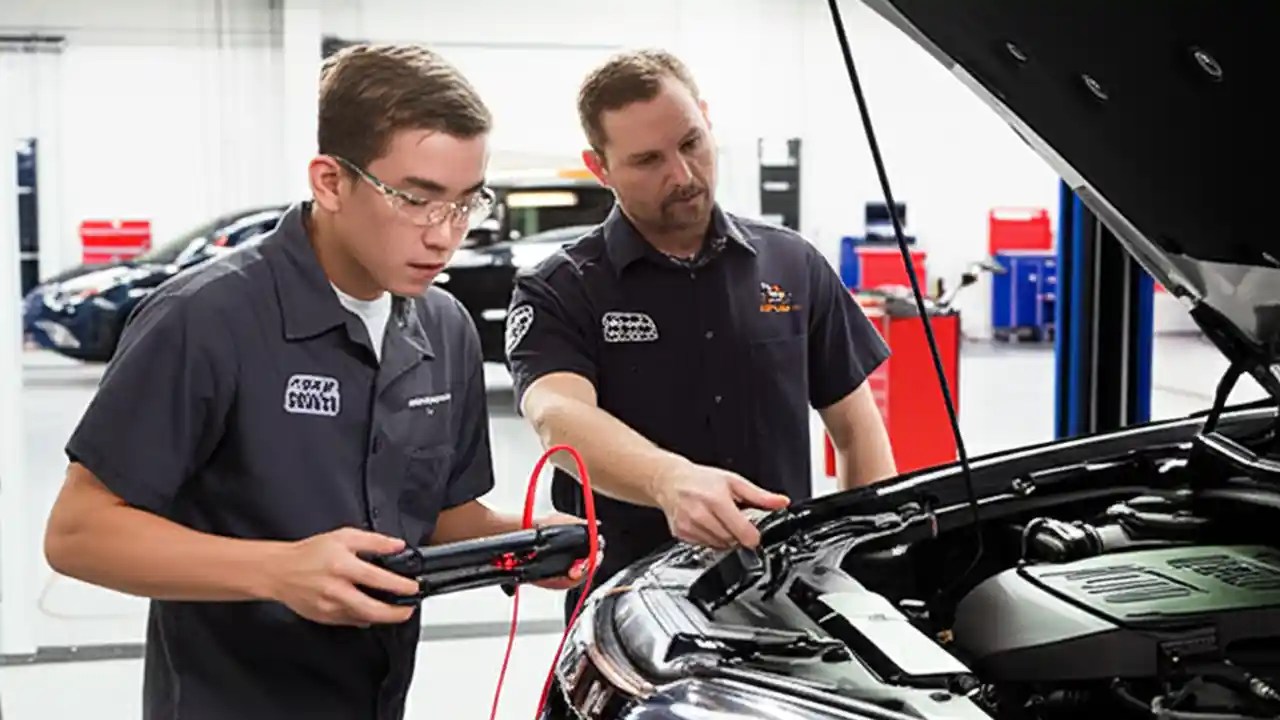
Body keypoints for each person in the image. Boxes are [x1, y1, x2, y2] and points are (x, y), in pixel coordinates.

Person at [42, 43, 587, 720]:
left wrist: (527, 542)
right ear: (330, 181)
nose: (444, 236)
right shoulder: (205, 320)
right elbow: (78, 532)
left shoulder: (444, 328)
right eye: (416, 200)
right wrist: (278, 570)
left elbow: (438, 515)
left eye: (464, 204)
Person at [504, 49, 898, 620]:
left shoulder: (793, 265)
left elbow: (858, 433)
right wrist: (668, 481)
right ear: (600, 167)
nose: (682, 176)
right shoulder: (561, 288)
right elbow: (555, 414)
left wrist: (865, 561)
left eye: (691, 143)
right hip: (629, 616)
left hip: (787, 604)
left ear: (707, 120)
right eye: (647, 160)